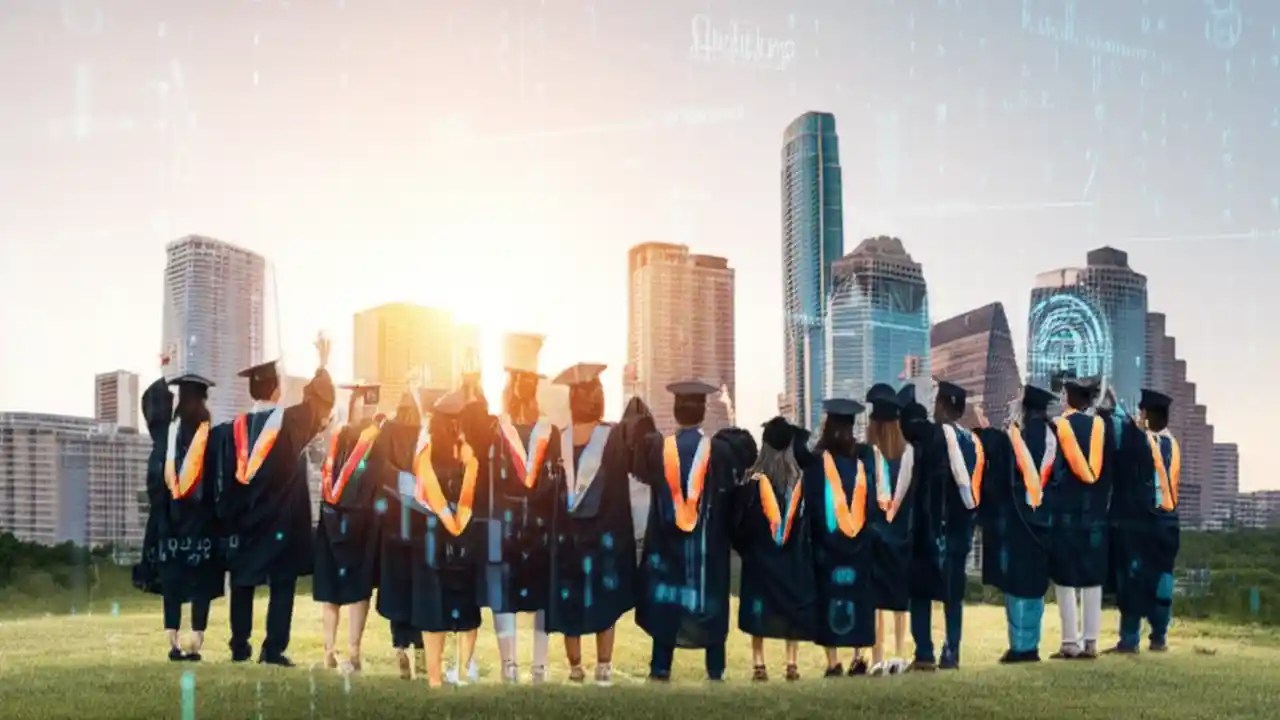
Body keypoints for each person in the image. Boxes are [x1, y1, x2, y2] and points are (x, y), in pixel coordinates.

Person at [219, 336, 334, 667]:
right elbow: (320, 402)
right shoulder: (289, 422)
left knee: (243, 581)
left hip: (245, 521)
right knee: (282, 584)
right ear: (275, 391)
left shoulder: (233, 431)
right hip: (283, 522)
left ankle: (240, 646)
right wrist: (322, 364)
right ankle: (273, 650)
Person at [630, 380, 755, 682]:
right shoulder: (721, 451)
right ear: (702, 412)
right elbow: (748, 452)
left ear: (675, 413)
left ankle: (661, 667)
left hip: (666, 546)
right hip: (708, 548)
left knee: (667, 601)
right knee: (710, 598)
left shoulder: (657, 448)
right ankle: (715, 669)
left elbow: (635, 465)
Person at [313, 382, 417, 673]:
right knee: (358, 588)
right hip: (362, 521)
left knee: (331, 586)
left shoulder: (337, 435)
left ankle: (328, 650)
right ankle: (354, 653)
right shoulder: (376, 438)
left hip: (331, 516)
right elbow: (380, 478)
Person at [545, 363, 638, 686]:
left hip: (567, 537)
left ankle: (575, 668)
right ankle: (604, 668)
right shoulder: (613, 436)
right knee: (604, 599)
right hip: (604, 535)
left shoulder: (560, 440)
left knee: (570, 597)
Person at [478, 352, 562, 684]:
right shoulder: (547, 431)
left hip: (504, 521)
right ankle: (537, 667)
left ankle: (510, 665)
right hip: (537, 522)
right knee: (538, 591)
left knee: (505, 592)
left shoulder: (497, 430)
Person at [136, 363, 225, 662]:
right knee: (200, 583)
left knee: (172, 583)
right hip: (201, 527)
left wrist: (164, 374)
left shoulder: (166, 437)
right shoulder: (210, 440)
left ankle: (172, 644)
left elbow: (153, 479)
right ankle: (195, 643)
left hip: (169, 525)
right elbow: (219, 484)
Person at [908, 380, 985, 671]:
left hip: (932, 526)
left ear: (941, 405)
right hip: (960, 528)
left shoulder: (933, 436)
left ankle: (925, 652)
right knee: (954, 595)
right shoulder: (972, 441)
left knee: (922, 593)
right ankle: (951, 651)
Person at [977, 384, 1056, 663]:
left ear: (1025, 409)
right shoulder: (1054, 438)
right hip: (1045, 523)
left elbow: (999, 464)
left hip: (1018, 524)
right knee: (1036, 586)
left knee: (1017, 585)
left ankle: (1020, 647)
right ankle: (1032, 645)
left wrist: (987, 431)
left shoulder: (1017, 439)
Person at [733, 416, 814, 682]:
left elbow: (740, 523)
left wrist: (745, 549)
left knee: (759, 608)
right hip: (791, 557)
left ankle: (759, 665)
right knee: (791, 606)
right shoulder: (799, 480)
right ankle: (791, 664)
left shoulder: (752, 480)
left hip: (760, 558)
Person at [804, 398, 879, 677]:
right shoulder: (861, 464)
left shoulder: (815, 464)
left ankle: (832, 661)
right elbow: (870, 507)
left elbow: (812, 505)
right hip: (859, 546)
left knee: (829, 597)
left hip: (827, 546)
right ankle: (859, 658)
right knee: (859, 597)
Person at [1104, 388, 1180, 654]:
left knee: (1132, 580)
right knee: (1162, 580)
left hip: (1139, 524)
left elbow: (1126, 444)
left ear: (1146, 415)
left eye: (1141, 412)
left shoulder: (1139, 442)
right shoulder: (1171, 443)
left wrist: (1114, 409)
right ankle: (1159, 637)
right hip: (1168, 523)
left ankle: (1129, 639)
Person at [1045, 376, 1113, 660]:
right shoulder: (1102, 428)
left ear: (1068, 398)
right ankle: (1091, 641)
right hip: (1096, 512)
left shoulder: (1057, 426)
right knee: (1092, 577)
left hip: (1066, 513)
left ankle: (1070, 641)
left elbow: (1052, 468)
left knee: (1065, 578)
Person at [375, 389, 437, 681]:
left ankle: (400, 646)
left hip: (392, 521)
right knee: (418, 586)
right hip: (419, 522)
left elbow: (378, 468)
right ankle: (422, 650)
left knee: (396, 584)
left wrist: (399, 485)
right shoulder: (425, 433)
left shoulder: (387, 430)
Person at [864, 384, 917, 676]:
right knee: (899, 599)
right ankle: (900, 654)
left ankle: (877, 658)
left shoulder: (869, 456)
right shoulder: (909, 452)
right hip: (902, 536)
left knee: (876, 602)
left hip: (876, 534)